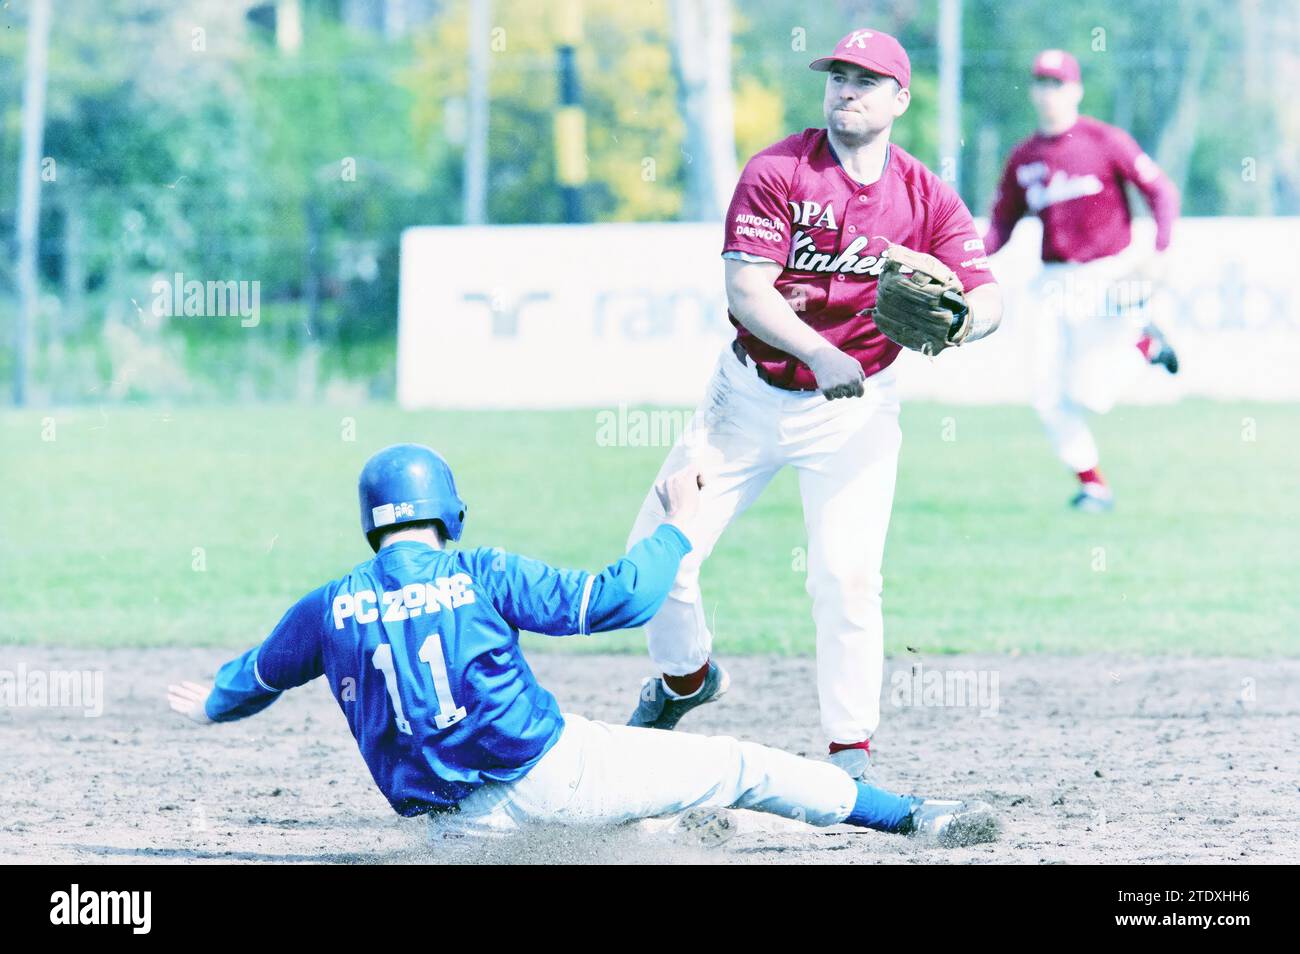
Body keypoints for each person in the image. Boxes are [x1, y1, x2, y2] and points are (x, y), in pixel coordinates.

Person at [166, 444, 998, 847]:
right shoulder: (481, 571)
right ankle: (915, 818)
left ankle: (680, 829)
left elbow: (256, 678)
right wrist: (679, 526)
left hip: (456, 836)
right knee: (739, 766)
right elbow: (621, 600)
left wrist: (210, 701)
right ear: (447, 511)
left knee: (627, 838)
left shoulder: (327, 608)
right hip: (552, 773)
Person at [622, 28, 1002, 783]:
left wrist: (963, 323)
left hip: (854, 413)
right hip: (746, 399)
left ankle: (850, 747)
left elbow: (989, 297)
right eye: (837, 76)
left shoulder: (923, 193)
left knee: (848, 576)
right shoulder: (779, 171)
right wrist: (821, 352)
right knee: (654, 558)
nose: (846, 90)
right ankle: (687, 680)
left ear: (900, 98)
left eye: (865, 79)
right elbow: (746, 291)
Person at [984, 49, 1181, 512]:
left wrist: (1161, 250)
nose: (1049, 93)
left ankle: (1145, 346)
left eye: (1058, 84)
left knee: (1092, 396)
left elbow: (1161, 191)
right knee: (1045, 393)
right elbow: (1001, 225)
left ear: (1075, 90)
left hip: (1107, 277)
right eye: (1042, 83)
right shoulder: (1024, 157)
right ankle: (1093, 485)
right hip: (1051, 281)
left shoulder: (1103, 140)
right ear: (1034, 91)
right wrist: (962, 258)